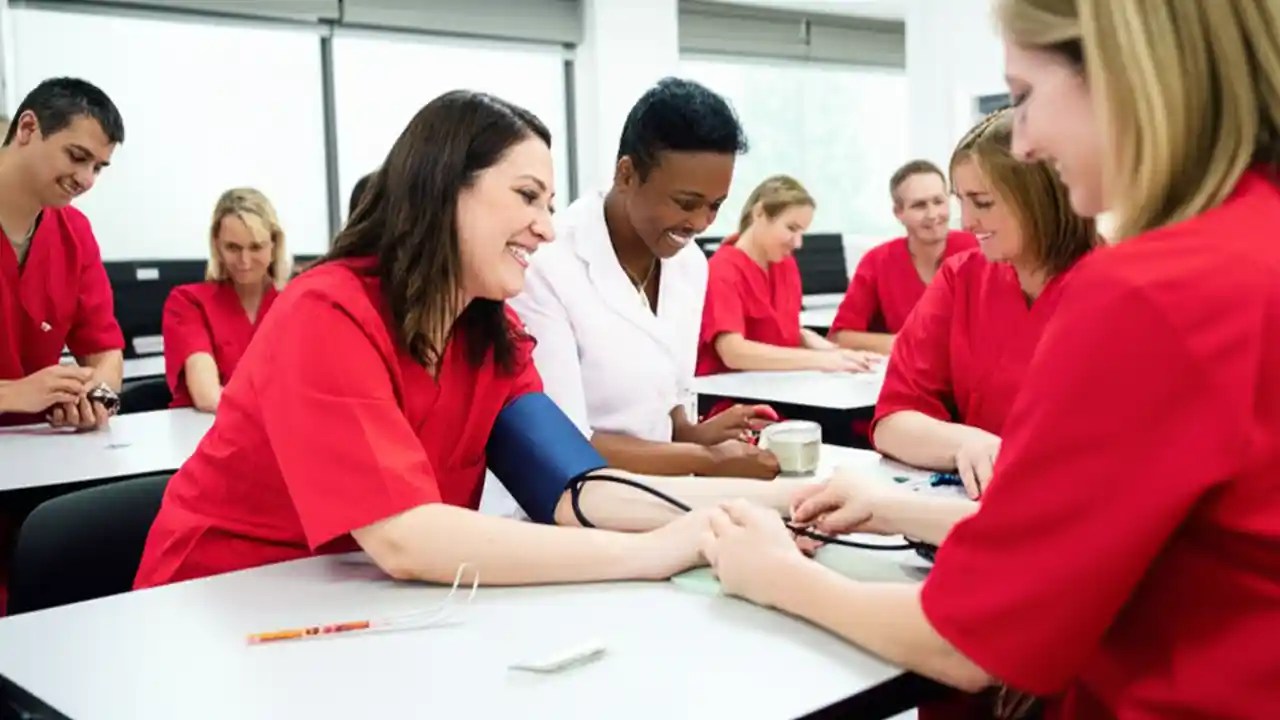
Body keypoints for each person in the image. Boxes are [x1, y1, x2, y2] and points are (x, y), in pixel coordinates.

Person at [698, 2, 1280, 718]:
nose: (1025, 141)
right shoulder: (1250, 251)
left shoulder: (1149, 292)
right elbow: (1126, 542)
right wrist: (899, 508)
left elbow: (969, 644)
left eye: (1027, 97)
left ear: (1130, 75)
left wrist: (774, 574)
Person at [135, 90, 805, 591]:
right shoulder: (327, 312)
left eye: (549, 204)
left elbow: (580, 491)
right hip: (222, 604)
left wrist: (782, 505)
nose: (545, 228)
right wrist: (661, 550)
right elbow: (405, 536)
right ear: (443, 191)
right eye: (526, 197)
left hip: (362, 606)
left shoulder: (491, 333)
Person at [509, 78, 779, 479]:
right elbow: (561, 443)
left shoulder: (689, 264)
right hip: (566, 507)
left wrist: (701, 434)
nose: (701, 223)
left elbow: (666, 406)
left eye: (715, 206)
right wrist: (708, 460)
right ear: (627, 174)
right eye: (686, 203)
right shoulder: (546, 265)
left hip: (656, 494)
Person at [872, 108, 1097, 497]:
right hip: (978, 504)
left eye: (982, 202)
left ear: (1040, 197)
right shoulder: (962, 279)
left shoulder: (1115, 287)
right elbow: (893, 421)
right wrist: (967, 444)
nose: (965, 223)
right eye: (962, 201)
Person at [0, 77, 126, 430]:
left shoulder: (75, 234)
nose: (86, 180)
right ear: (27, 128)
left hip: (46, 452)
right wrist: (10, 395)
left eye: (98, 167)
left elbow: (106, 354)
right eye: (77, 156)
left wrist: (96, 396)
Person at [696, 175, 882, 376]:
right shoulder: (722, 269)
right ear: (759, 213)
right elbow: (734, 352)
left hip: (779, 384)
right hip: (730, 395)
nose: (798, 243)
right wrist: (822, 359)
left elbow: (777, 331)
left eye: (801, 232)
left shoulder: (785, 265)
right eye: (791, 228)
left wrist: (839, 354)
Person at [828, 161, 978, 356]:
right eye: (919, 206)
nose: (933, 215)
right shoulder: (877, 261)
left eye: (938, 201)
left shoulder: (979, 251)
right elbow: (840, 337)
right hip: (907, 374)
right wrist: (914, 343)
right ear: (899, 213)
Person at [162, 188, 291, 413]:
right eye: (233, 248)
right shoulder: (189, 303)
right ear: (217, 245)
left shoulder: (294, 304)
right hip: (204, 435)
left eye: (256, 247)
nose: (245, 261)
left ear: (274, 244)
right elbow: (207, 396)